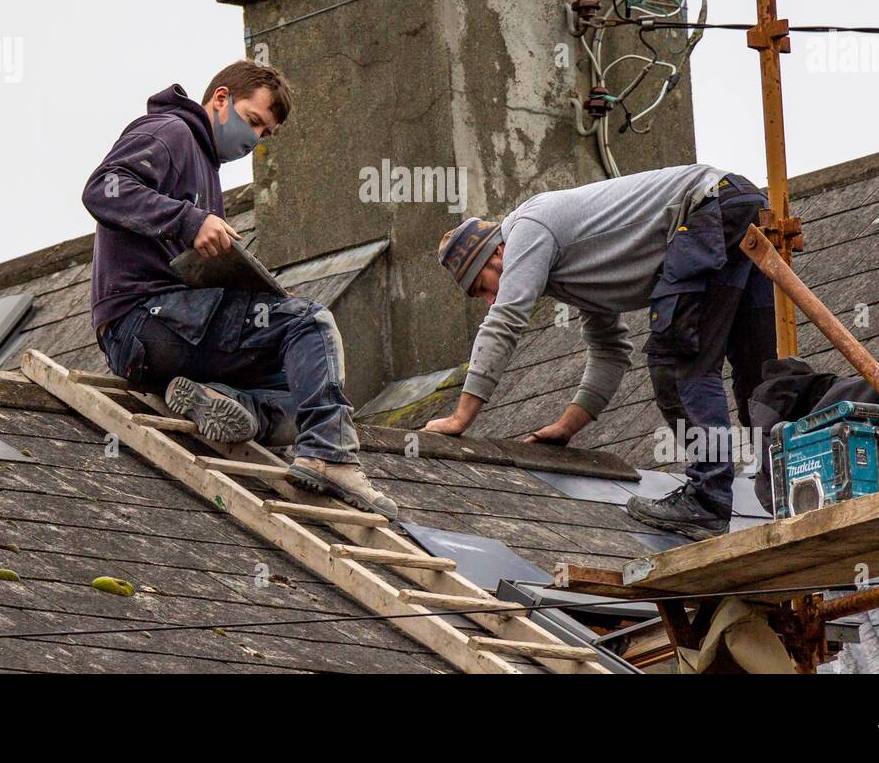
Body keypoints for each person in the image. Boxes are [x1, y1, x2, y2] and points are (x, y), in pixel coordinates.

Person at [82, 60, 396, 519]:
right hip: (144, 320)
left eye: (265, 134)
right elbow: (102, 189)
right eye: (252, 122)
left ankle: (232, 405)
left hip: (173, 331)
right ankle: (329, 456)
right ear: (222, 99)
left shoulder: (205, 168)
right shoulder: (170, 132)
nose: (254, 140)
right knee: (310, 322)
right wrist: (191, 221)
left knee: (307, 378)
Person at [423, 165, 775, 540]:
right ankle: (788, 481)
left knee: (677, 364)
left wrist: (461, 418)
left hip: (709, 209)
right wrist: (566, 427)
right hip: (740, 205)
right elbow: (610, 349)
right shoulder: (573, 268)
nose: (491, 299)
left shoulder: (528, 229)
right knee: (761, 370)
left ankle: (707, 499)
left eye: (483, 287)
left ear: (496, 255)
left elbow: (505, 320)